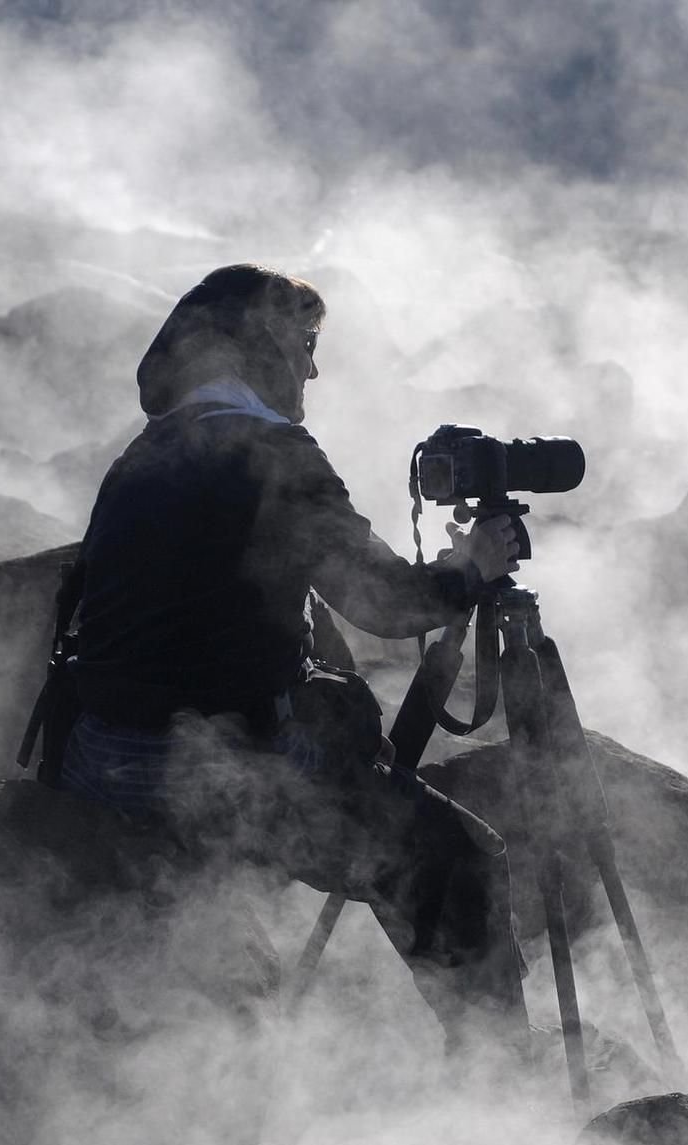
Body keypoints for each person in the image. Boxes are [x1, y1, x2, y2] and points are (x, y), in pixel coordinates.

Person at [57, 263, 527, 1053]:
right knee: (455, 861)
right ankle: (505, 1076)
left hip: (94, 751)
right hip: (201, 765)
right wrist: (470, 569)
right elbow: (384, 604)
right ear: (262, 345)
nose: (314, 367)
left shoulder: (144, 452)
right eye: (305, 343)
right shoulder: (273, 451)